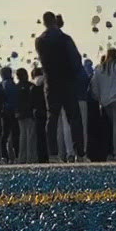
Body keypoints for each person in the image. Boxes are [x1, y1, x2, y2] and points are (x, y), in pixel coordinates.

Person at [35, 13, 86, 161]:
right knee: (74, 118)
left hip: (51, 83)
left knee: (52, 118)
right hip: (67, 81)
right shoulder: (65, 39)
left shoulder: (39, 41)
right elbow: (76, 59)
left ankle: (53, 154)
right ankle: (79, 153)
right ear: (55, 21)